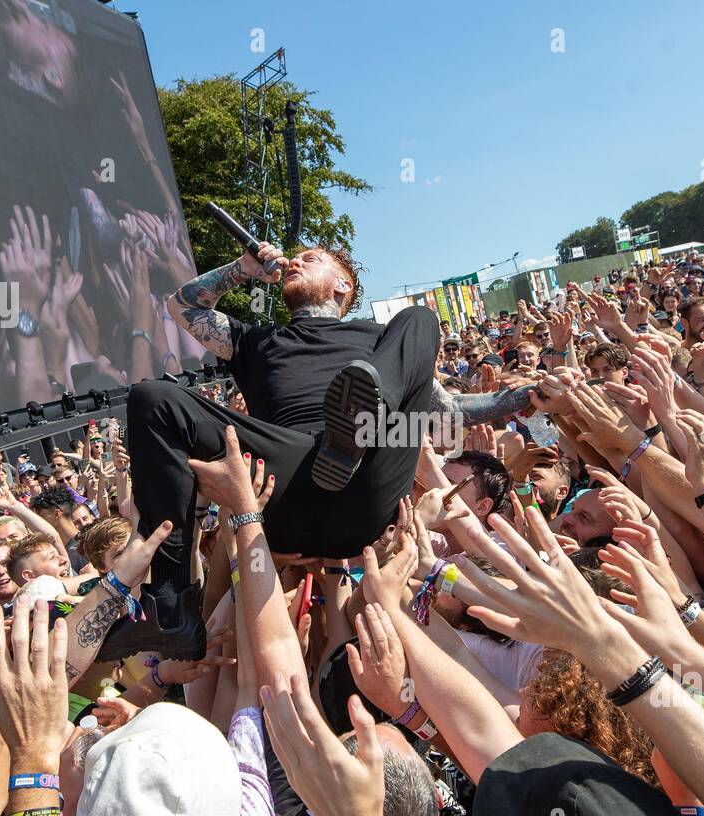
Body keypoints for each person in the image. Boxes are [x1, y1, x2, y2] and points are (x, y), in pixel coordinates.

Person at [129, 241, 534, 653]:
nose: (295, 261)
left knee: (419, 318)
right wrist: (244, 268)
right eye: (295, 258)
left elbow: (449, 409)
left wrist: (529, 396)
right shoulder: (256, 341)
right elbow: (184, 308)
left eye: (311, 258)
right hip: (287, 490)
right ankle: (171, 603)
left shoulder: (381, 339)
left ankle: (365, 409)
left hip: (368, 485)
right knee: (151, 398)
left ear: (343, 284)